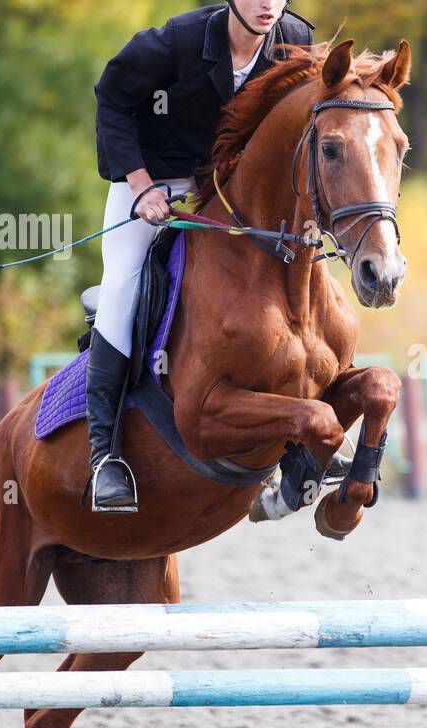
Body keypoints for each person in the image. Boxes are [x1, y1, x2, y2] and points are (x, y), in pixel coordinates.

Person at [87, 1, 314, 513]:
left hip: (232, 187)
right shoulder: (180, 41)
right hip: (157, 180)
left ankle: (298, 446)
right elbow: (113, 97)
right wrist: (142, 187)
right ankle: (104, 457)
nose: (267, 5)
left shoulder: (294, 38)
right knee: (123, 285)